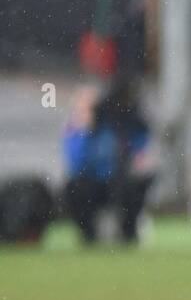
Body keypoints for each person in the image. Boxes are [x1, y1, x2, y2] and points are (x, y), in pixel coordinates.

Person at [62, 79, 154, 245]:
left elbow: (139, 142)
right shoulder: (75, 131)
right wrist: (84, 132)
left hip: (116, 182)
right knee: (75, 188)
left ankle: (128, 232)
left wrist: (139, 157)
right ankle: (89, 235)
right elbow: (76, 165)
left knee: (135, 184)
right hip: (91, 185)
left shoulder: (114, 125)